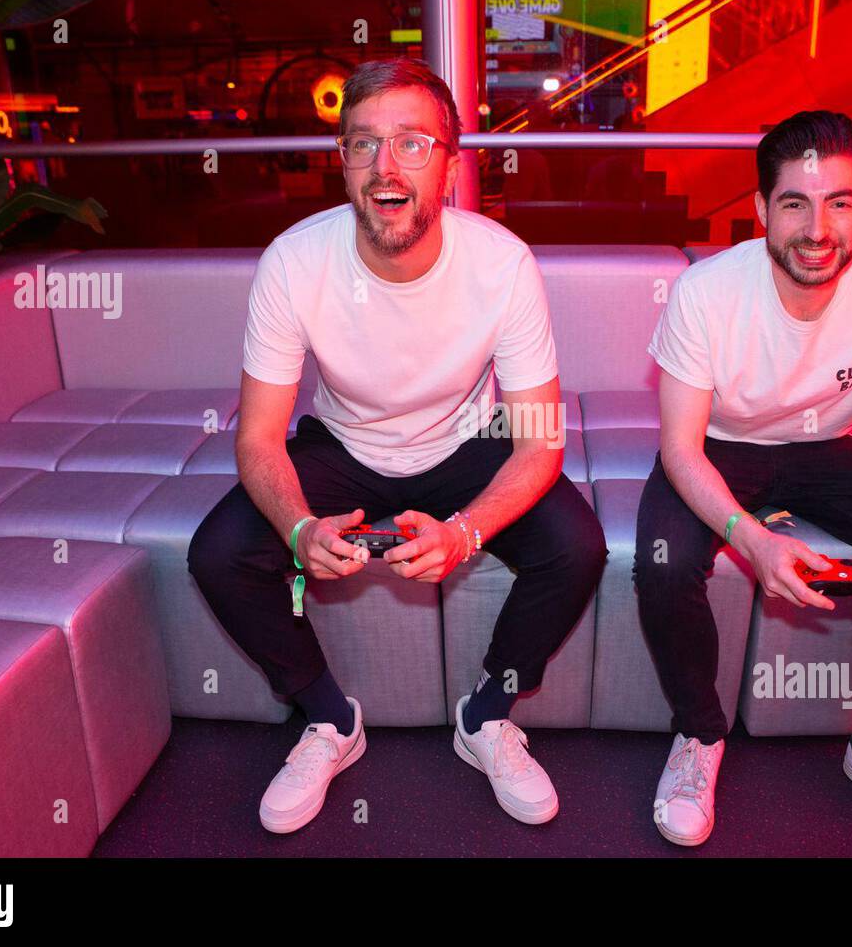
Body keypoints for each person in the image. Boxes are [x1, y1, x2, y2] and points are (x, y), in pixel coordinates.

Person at [187, 58, 606, 834]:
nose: (386, 167)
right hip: (344, 444)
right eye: (363, 144)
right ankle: (327, 720)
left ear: (450, 163)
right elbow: (255, 437)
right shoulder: (293, 260)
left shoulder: (502, 263)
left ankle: (485, 715)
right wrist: (299, 530)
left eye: (414, 143)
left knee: (577, 546)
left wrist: (467, 532)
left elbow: (541, 444)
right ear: (340, 161)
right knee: (218, 552)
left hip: (464, 443)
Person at [634, 110, 852, 857]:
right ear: (761, 209)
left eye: (840, 203)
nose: (817, 229)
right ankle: (699, 735)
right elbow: (679, 448)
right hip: (719, 449)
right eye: (794, 203)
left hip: (826, 449)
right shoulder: (705, 292)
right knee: (663, 564)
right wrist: (752, 540)